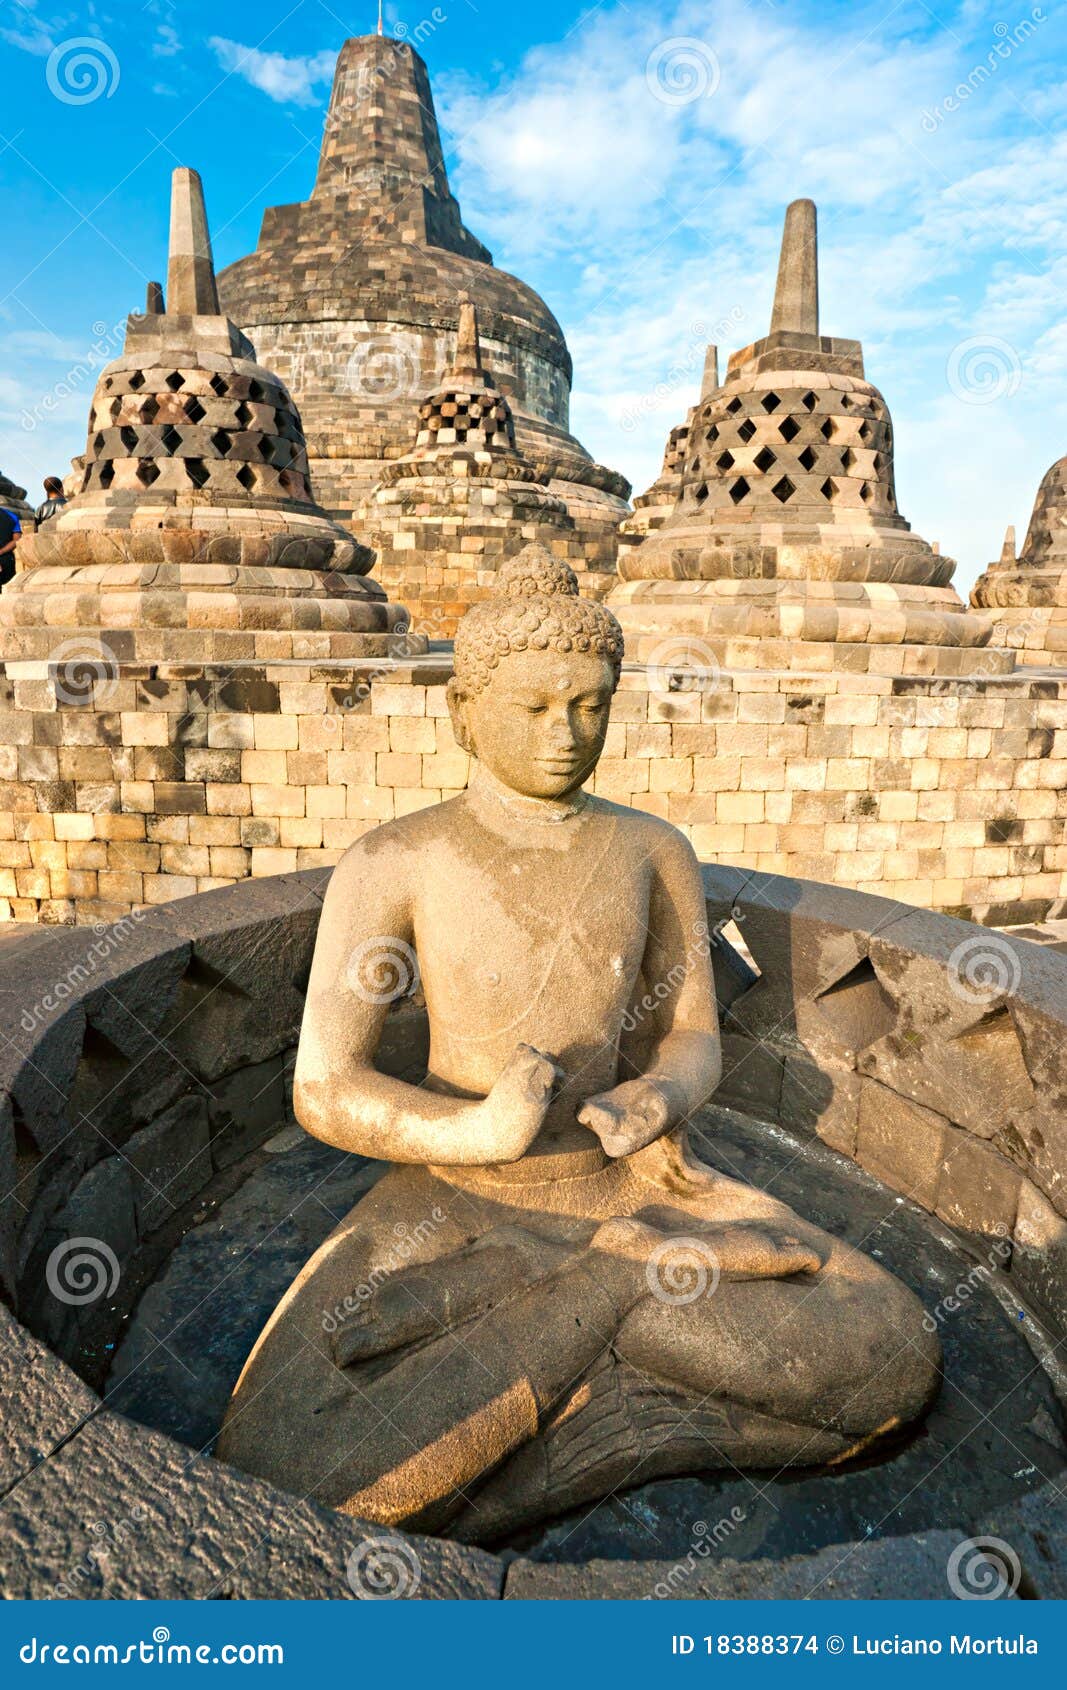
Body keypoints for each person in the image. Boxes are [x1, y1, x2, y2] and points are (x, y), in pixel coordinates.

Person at [216, 546, 941, 1543]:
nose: (565, 734)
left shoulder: (651, 851)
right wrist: (476, 1130)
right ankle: (592, 1302)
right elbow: (325, 1086)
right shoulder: (396, 860)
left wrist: (658, 1099)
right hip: (452, 1195)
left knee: (888, 1354)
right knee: (278, 1469)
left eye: (589, 706)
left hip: (622, 1182)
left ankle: (585, 1296)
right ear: (463, 712)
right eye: (531, 708)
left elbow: (689, 1032)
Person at [0, 505, 21, 589]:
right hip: (7, 559)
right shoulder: (11, 516)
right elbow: (17, 540)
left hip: (7, 561)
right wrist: (1, 551)